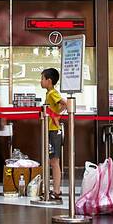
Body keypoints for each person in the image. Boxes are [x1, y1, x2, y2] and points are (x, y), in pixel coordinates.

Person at [40, 67, 66, 201]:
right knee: (52, 160)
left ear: (48, 81)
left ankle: (56, 190)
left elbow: (65, 103)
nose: (40, 81)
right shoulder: (49, 93)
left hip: (53, 130)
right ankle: (54, 189)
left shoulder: (52, 93)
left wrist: (57, 115)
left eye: (42, 78)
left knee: (54, 161)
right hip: (50, 130)